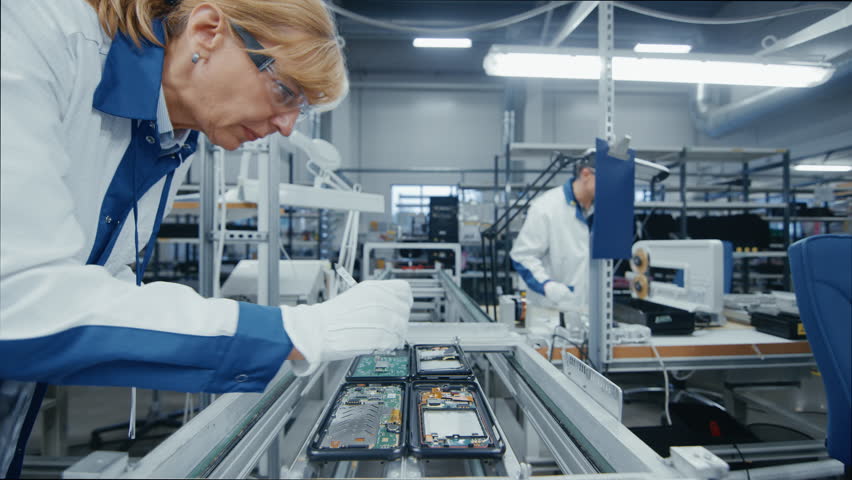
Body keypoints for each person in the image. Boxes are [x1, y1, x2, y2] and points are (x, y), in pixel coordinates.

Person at [0, 1, 412, 476]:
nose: (286, 126)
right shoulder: (33, 31)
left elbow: (102, 284)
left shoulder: (172, 137)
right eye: (284, 91)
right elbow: (19, 298)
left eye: (299, 110)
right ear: (208, 30)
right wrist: (294, 332)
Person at [509, 157, 595, 334]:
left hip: (590, 316)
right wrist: (549, 287)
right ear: (586, 174)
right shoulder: (547, 207)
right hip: (550, 317)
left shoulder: (600, 210)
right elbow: (522, 256)